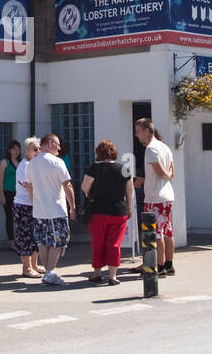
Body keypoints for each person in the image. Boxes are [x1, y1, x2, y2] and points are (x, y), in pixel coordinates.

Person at [28, 133, 75, 286]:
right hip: (56, 209)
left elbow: (30, 187)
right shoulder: (57, 162)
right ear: (50, 143)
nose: (59, 148)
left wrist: (34, 203)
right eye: (57, 144)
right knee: (58, 241)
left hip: (39, 210)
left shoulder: (32, 163)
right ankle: (50, 271)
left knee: (43, 242)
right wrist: (72, 206)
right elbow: (67, 185)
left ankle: (49, 272)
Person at [82, 139, 131, 285]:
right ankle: (113, 276)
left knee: (98, 242)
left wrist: (90, 195)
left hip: (98, 211)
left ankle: (97, 274)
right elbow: (130, 190)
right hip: (118, 211)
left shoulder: (94, 168)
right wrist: (128, 207)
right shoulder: (123, 168)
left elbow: (85, 187)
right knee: (114, 244)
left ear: (99, 153)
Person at [133, 118, 176, 275]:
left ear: (147, 131)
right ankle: (169, 264)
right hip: (166, 195)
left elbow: (160, 172)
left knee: (156, 233)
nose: (136, 135)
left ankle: (159, 266)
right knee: (167, 231)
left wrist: (167, 175)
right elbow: (170, 171)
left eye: (138, 132)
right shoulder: (164, 147)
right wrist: (167, 175)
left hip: (155, 196)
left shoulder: (151, 149)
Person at [11, 137, 41, 278]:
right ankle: (26, 267)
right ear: (27, 150)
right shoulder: (24, 166)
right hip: (24, 205)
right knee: (25, 236)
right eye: (35, 149)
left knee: (35, 236)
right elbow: (30, 187)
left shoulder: (36, 165)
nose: (38, 151)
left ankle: (34, 264)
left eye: (39, 148)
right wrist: (36, 204)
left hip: (35, 205)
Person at [0, 139, 21, 244]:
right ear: (10, 150)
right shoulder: (4, 162)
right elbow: (0, 180)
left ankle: (20, 240)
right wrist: (2, 196)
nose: (17, 152)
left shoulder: (20, 162)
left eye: (19, 150)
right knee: (10, 217)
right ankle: (11, 241)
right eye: (14, 150)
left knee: (20, 217)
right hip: (8, 193)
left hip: (19, 194)